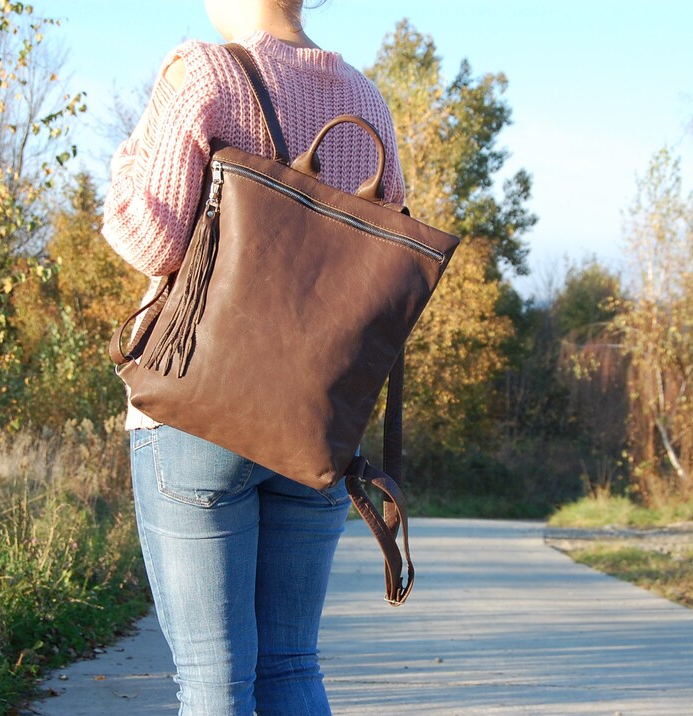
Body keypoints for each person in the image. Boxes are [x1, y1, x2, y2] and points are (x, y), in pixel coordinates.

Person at [100, 1, 406, 713]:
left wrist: (131, 153)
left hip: (203, 405)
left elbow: (151, 239)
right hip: (315, 422)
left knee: (213, 678)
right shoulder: (367, 100)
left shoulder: (203, 70)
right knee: (293, 667)